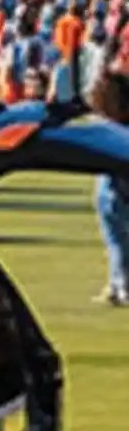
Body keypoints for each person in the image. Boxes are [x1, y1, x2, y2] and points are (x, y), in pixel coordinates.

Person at [87, 71, 129, 305]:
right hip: (118, 186)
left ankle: (121, 285)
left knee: (116, 239)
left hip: (111, 187)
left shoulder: (105, 127)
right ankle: (116, 283)